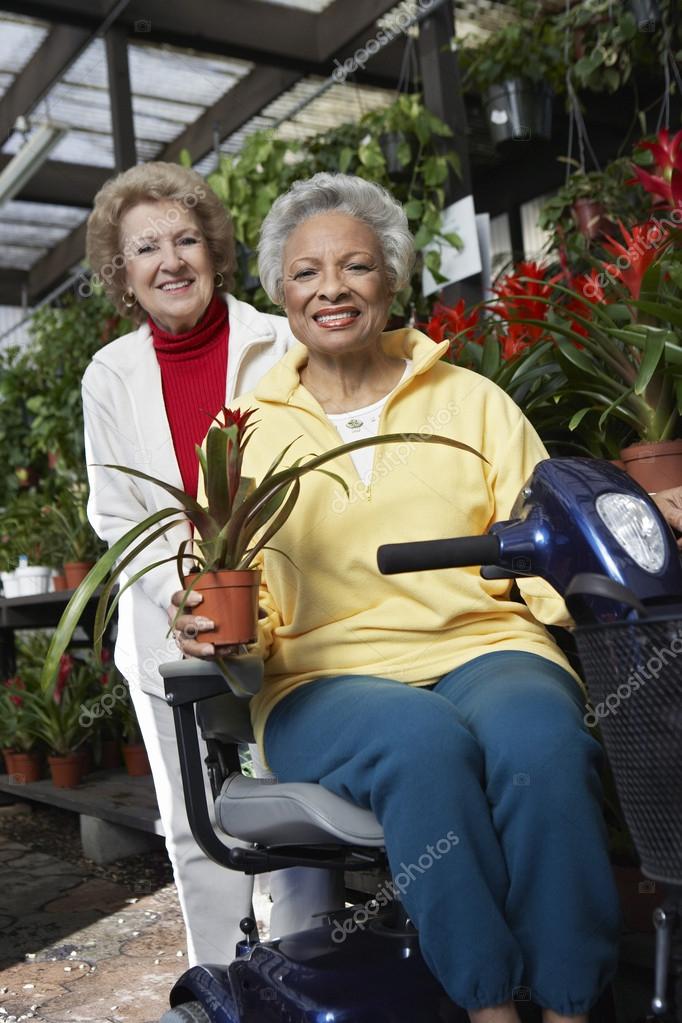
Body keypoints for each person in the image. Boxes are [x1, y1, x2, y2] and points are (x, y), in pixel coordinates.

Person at [175, 172, 621, 1023]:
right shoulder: (246, 431)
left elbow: (544, 536)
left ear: (392, 279)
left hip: (485, 647)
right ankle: (489, 1007)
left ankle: (568, 1006)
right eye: (307, 273)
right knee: (421, 746)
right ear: (280, 292)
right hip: (321, 678)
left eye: (357, 266)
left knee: (543, 746)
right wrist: (215, 631)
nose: (332, 289)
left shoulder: (472, 400)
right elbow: (232, 581)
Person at [82, 161, 339, 966]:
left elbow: (317, 467)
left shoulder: (277, 339)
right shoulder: (109, 375)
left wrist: (246, 588)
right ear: (123, 273)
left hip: (285, 616)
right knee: (195, 822)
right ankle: (223, 983)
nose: (171, 261)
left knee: (297, 809)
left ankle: (303, 973)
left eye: (186, 238)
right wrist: (182, 599)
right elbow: (115, 510)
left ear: (214, 249)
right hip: (169, 635)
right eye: (147, 247)